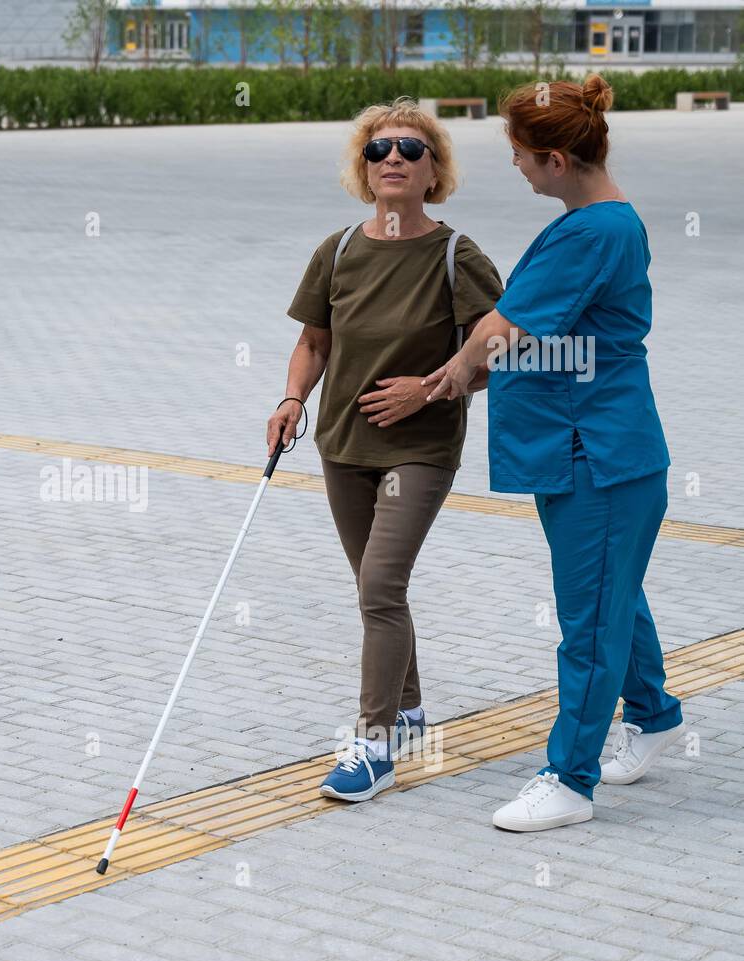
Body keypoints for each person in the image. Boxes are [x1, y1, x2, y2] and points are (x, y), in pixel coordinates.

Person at [425, 74, 684, 832]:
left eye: (520, 155)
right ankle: (656, 712)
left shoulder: (594, 232)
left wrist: (445, 381)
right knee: (614, 594)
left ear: (556, 161)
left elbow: (501, 329)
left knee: (589, 619)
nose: (515, 166)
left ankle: (568, 780)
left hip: (598, 456)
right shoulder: (600, 220)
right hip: (592, 449)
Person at [269, 98, 503, 802]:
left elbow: (491, 353)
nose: (392, 159)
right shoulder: (338, 250)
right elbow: (314, 341)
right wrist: (290, 401)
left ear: (435, 170)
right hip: (342, 444)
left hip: (422, 450)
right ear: (364, 169)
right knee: (378, 591)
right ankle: (408, 713)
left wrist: (428, 391)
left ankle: (373, 747)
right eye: (378, 150)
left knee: (379, 588)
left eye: (409, 148)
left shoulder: (459, 255)